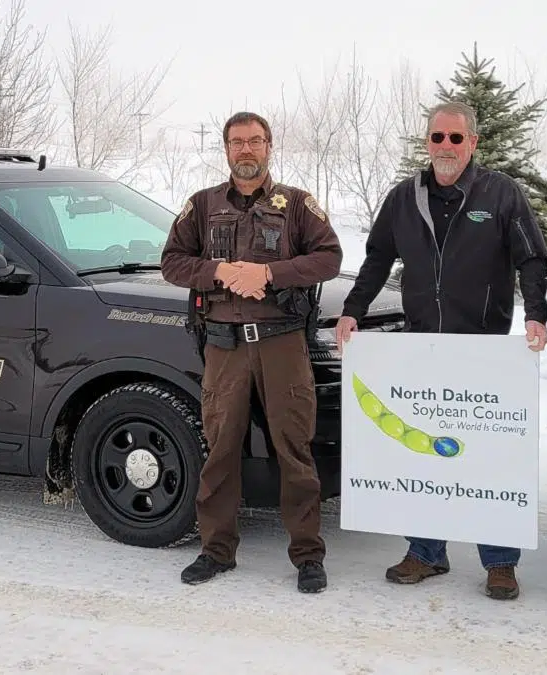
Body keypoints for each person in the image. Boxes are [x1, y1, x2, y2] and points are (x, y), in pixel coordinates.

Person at [335, 101, 547, 601]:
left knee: (487, 455)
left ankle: (500, 562)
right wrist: (353, 311)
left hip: (482, 348)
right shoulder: (403, 198)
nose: (446, 148)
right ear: (427, 142)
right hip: (422, 346)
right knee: (424, 450)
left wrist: (536, 313)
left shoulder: (500, 194)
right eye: (438, 138)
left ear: (473, 143)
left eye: (456, 139)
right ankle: (426, 552)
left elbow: (531, 258)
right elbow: (376, 261)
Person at [160, 110, 343, 593]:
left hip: (282, 345)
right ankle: (216, 550)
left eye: (255, 141)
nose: (246, 150)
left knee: (294, 450)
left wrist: (267, 274)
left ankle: (307, 554)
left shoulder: (299, 205)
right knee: (220, 450)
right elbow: (172, 263)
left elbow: (329, 257)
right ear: (225, 150)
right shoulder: (201, 206)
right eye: (237, 142)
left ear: (269, 147)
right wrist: (219, 273)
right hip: (224, 347)